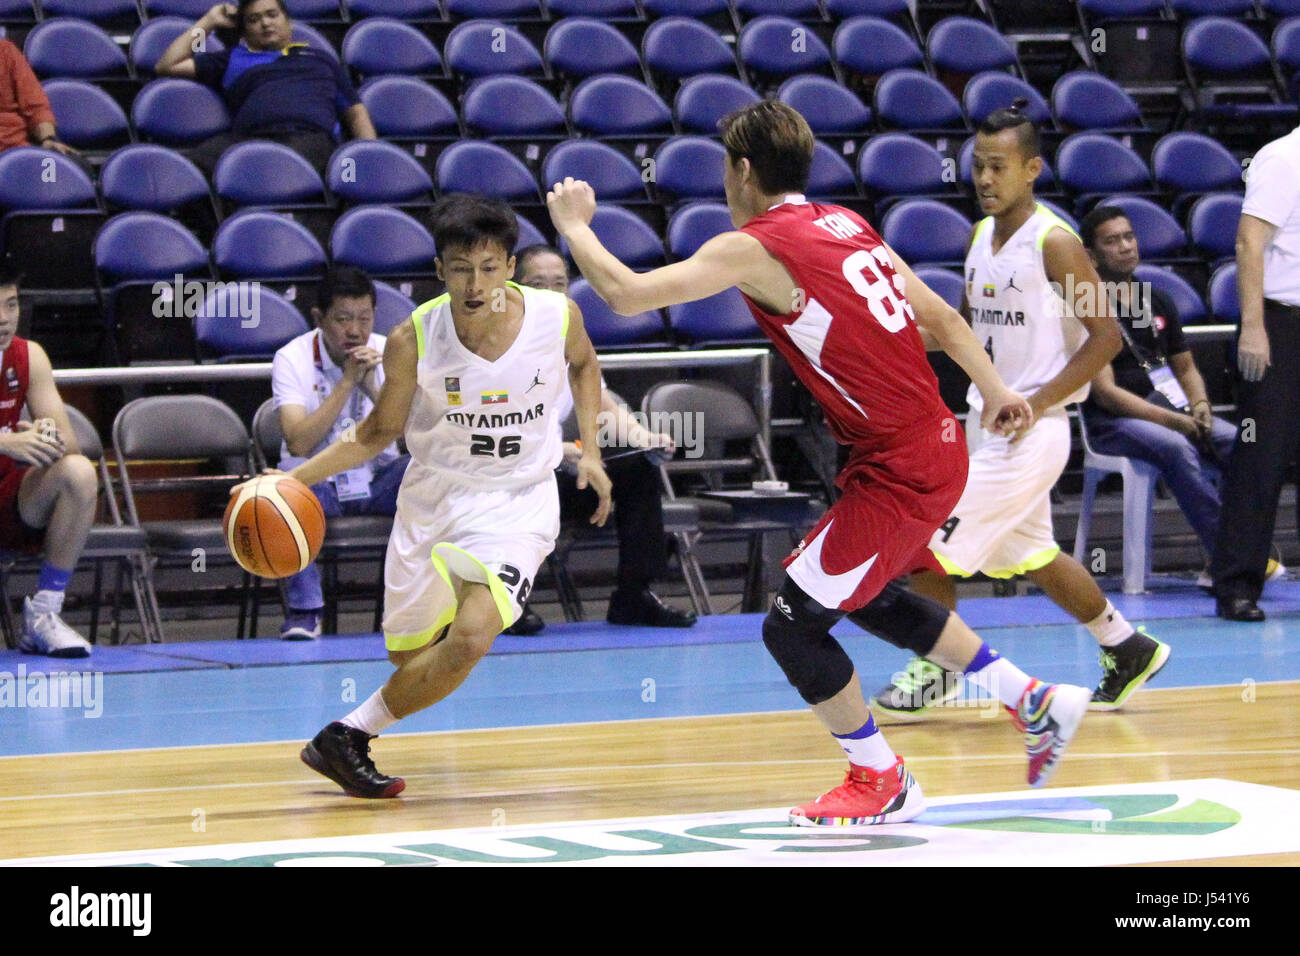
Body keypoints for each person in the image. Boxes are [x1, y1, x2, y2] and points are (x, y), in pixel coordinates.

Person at [548, 100, 1092, 827]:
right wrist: (992, 391)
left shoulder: (758, 244)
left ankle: (881, 778)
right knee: (858, 594)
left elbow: (625, 293)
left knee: (790, 624)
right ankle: (1034, 700)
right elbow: (944, 318)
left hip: (902, 464)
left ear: (742, 170)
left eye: (723, 165)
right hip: (922, 446)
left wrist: (576, 225)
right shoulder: (849, 224)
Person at [267, 194, 611, 797]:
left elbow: (583, 365)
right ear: (438, 269)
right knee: (417, 662)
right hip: (434, 501)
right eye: (460, 268)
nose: (474, 284)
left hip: (518, 501)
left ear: (509, 265)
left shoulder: (556, 315)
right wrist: (290, 482)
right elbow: (376, 433)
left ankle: (346, 736)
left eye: (487, 267)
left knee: (473, 636)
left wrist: (593, 451)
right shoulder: (412, 338)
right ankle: (352, 735)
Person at [872, 107, 1167, 720]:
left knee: (927, 541)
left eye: (998, 167)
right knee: (1030, 555)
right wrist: (883, 334)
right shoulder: (981, 236)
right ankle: (1126, 645)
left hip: (1035, 430)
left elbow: (1107, 336)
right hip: (989, 426)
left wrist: (1036, 400)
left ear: (1032, 170)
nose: (983, 178)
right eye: (978, 166)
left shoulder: (1055, 243)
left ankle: (941, 663)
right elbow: (964, 333)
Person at [1080, 205, 1282, 591]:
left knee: (1242, 443)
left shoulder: (1155, 300)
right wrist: (1176, 422)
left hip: (1170, 408)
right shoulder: (1085, 305)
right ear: (1090, 255)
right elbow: (1106, 394)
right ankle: (1229, 556)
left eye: (1129, 236)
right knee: (1176, 445)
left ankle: (1233, 553)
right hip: (1112, 424)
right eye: (1112, 241)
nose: (1125, 247)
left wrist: (1201, 405)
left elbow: (1185, 369)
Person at [506, 244, 695, 633]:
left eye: (559, 284)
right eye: (537, 284)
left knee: (636, 469)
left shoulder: (570, 340)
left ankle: (633, 596)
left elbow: (602, 404)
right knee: (525, 480)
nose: (550, 292)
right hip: (507, 477)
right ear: (514, 287)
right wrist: (560, 454)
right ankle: (504, 601)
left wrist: (646, 438)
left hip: (557, 476)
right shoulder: (496, 346)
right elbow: (495, 433)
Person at [271, 266, 410, 640]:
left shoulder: (390, 350)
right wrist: (347, 382)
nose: (354, 330)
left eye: (364, 318)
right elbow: (298, 442)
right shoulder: (292, 357)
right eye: (343, 319)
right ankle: (305, 612)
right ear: (319, 318)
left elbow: (416, 433)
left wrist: (372, 388)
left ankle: (424, 605)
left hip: (379, 481)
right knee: (287, 488)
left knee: (431, 468)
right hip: (320, 487)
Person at [0, 263, 98, 657]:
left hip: (9, 500)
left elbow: (69, 444)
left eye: (11, 305)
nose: (4, 320)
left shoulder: (29, 357)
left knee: (77, 472)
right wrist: (5, 441)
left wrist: (42, 437)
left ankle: (44, 614)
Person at [155, 0, 376, 175]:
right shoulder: (232, 58)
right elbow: (168, 65)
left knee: (288, 168)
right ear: (245, 32)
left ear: (288, 22)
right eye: (254, 19)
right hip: (248, 142)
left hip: (309, 140)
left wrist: (369, 157)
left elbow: (355, 113)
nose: (266, 23)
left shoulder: (320, 59)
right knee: (184, 170)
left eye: (272, 15)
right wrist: (209, 21)